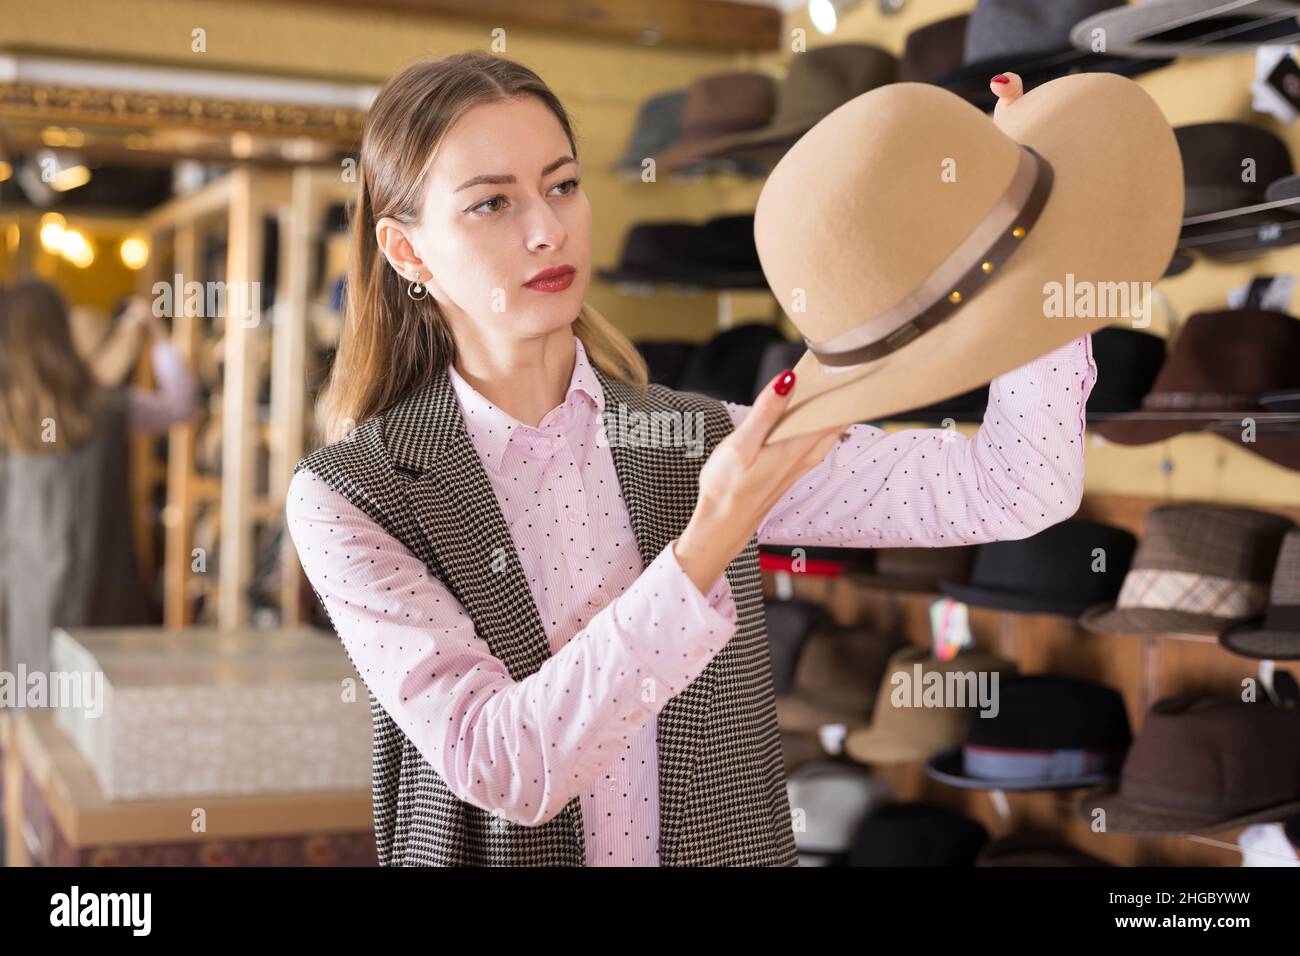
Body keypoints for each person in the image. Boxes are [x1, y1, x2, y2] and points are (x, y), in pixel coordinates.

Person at [284, 60, 1089, 866]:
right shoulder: (350, 497)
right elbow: (506, 764)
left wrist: (1027, 237)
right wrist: (714, 535)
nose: (547, 230)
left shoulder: (703, 437)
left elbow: (1017, 485)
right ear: (406, 251)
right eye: (492, 203)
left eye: (562, 185)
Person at [0, 279, 198, 688]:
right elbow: (181, 404)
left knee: (26, 718)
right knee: (95, 720)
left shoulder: (7, 417)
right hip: (104, 602)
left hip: (21, 607)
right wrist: (156, 333)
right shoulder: (107, 407)